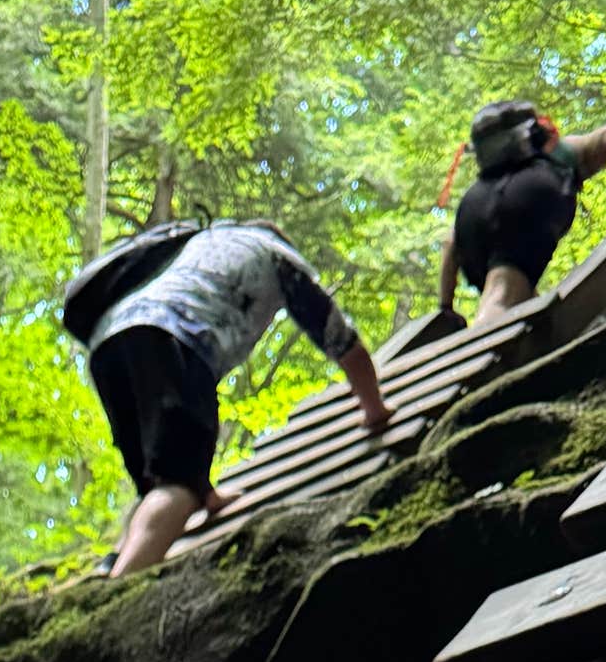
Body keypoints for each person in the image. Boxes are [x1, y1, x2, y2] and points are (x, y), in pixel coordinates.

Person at [87, 221, 388, 575]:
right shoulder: (276, 256)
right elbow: (341, 339)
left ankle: (107, 569)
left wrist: (207, 493)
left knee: (157, 484)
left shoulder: (205, 244)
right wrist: (375, 410)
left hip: (108, 342)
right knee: (178, 486)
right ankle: (121, 593)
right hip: (171, 334)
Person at [438, 102, 606, 327]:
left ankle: (499, 327)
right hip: (526, 202)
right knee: (503, 293)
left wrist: (445, 307)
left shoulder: (486, 187)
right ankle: (486, 335)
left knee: (516, 295)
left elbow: (451, 241)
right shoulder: (566, 151)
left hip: (470, 218)